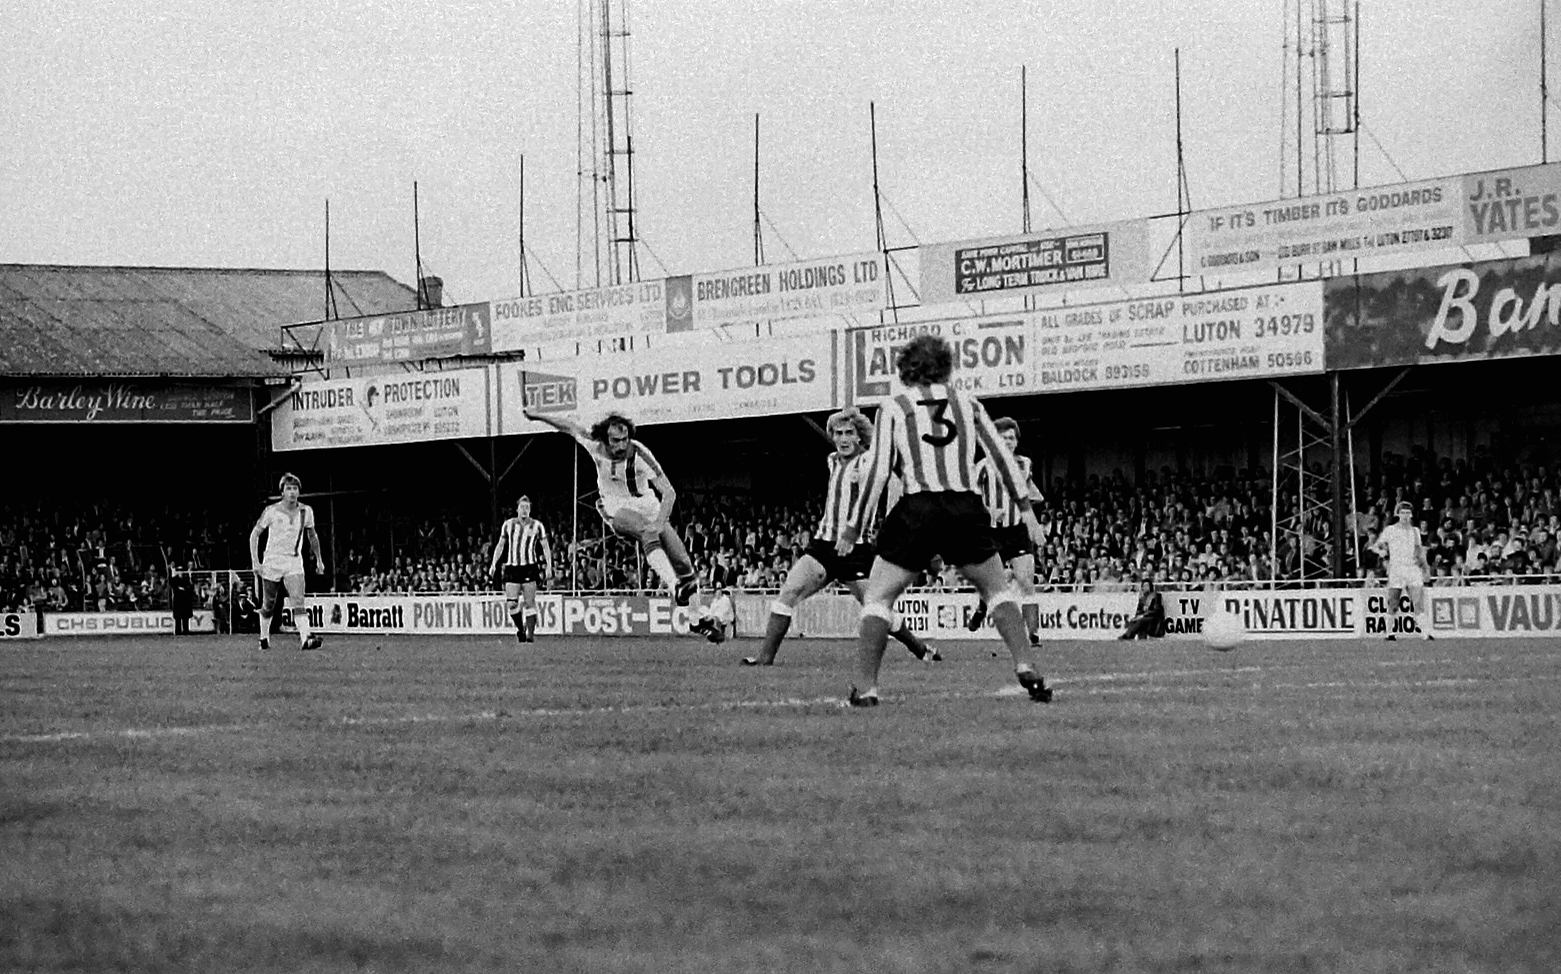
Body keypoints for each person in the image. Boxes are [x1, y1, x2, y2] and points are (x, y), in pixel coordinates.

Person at [836, 334, 1052, 706]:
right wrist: (1027, 511)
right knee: (997, 590)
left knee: (878, 596)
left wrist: (854, 525)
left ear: (906, 370)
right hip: (964, 507)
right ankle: (1024, 662)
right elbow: (1002, 459)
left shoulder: (894, 407)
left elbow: (879, 471)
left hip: (917, 508)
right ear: (946, 367)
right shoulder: (968, 404)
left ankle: (866, 687)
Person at [742, 406, 937, 666]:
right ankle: (764, 659)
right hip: (823, 546)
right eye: (838, 433)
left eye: (849, 433)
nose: (843, 439)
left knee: (877, 609)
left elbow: (894, 484)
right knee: (788, 591)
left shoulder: (869, 462)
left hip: (856, 551)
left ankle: (919, 648)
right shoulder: (832, 460)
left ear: (859, 436)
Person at [522, 403, 718, 639]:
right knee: (648, 533)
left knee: (683, 561)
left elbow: (669, 492)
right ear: (605, 439)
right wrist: (537, 416)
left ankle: (696, 620)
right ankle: (675, 587)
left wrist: (660, 521)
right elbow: (567, 426)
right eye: (615, 441)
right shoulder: (594, 445)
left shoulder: (640, 453)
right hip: (615, 507)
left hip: (647, 505)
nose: (621, 445)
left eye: (625, 439)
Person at [966, 416, 1044, 644]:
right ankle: (982, 607)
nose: (1008, 442)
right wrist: (988, 510)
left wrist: (1033, 502)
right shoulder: (982, 467)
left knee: (1026, 580)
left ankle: (1033, 635)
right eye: (1003, 438)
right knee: (993, 584)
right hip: (992, 533)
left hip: (1018, 531)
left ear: (1016, 441)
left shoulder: (1025, 464)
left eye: (1012, 438)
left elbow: (1029, 489)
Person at [248, 473, 326, 651]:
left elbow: (312, 536)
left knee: (298, 600)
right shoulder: (271, 511)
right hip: (272, 560)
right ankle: (264, 638)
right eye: (288, 488)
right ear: (282, 492)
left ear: (299, 491)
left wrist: (319, 560)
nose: (292, 492)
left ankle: (306, 638)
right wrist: (255, 561)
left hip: (293, 561)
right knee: (269, 604)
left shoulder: (306, 511)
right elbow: (254, 535)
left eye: (295, 488)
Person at [488, 495, 553, 643]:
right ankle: (520, 629)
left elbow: (545, 547)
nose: (524, 510)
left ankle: (530, 636)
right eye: (522, 507)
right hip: (512, 568)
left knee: (530, 602)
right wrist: (493, 564)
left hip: (529, 567)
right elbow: (500, 545)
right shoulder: (508, 525)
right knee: (512, 603)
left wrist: (549, 566)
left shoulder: (537, 526)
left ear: (530, 510)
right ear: (517, 509)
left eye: (527, 507)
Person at [1371, 500, 1433, 641]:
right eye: (1402, 512)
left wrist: (1426, 568)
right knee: (1393, 603)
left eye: (1407, 513)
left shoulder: (1415, 531)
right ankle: (1389, 633)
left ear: (1411, 515)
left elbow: (1419, 550)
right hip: (1396, 570)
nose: (1405, 515)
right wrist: (1382, 553)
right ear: (1398, 514)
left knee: (1418, 601)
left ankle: (1426, 633)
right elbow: (1376, 546)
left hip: (1412, 569)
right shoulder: (1390, 530)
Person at [170, 565, 194, 636]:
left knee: (185, 617)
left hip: (185, 601)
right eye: (179, 571)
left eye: (181, 571)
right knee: (178, 618)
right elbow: (174, 586)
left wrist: (184, 588)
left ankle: (186, 631)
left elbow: (190, 587)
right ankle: (178, 632)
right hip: (178, 601)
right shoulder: (174, 579)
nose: (180, 572)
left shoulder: (186, 579)